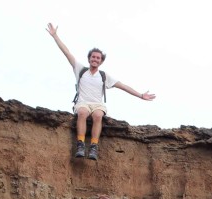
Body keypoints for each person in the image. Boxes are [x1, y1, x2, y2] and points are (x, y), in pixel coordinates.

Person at [46, 23, 156, 160]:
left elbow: (123, 86)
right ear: (89, 59)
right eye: (93, 57)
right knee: (82, 113)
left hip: (97, 104)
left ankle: (93, 146)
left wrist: (140, 95)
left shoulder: (104, 76)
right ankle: (80, 143)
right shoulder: (80, 70)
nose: (95, 59)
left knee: (98, 115)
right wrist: (55, 36)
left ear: (101, 61)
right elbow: (66, 52)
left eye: (98, 58)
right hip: (83, 103)